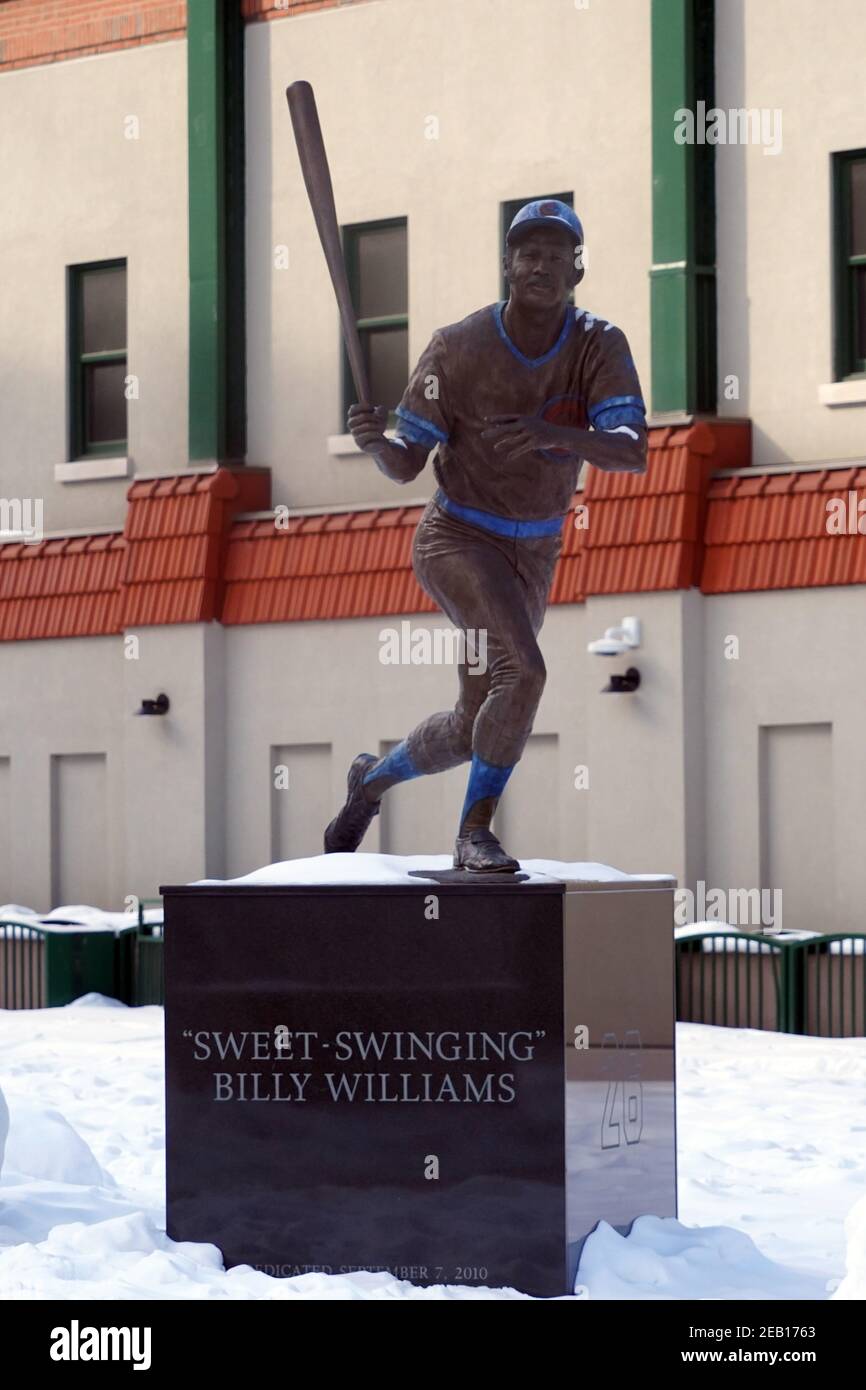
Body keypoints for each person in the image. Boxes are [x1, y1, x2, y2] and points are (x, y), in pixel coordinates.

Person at [324, 199, 647, 872]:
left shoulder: (598, 343)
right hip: (458, 539)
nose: (542, 267)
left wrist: (557, 433)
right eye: (528, 254)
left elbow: (630, 449)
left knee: (475, 724)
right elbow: (407, 462)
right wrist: (373, 444)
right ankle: (475, 834)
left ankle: (371, 782)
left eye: (557, 257)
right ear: (506, 264)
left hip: (535, 550)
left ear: (576, 271)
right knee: (524, 671)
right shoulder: (459, 346)